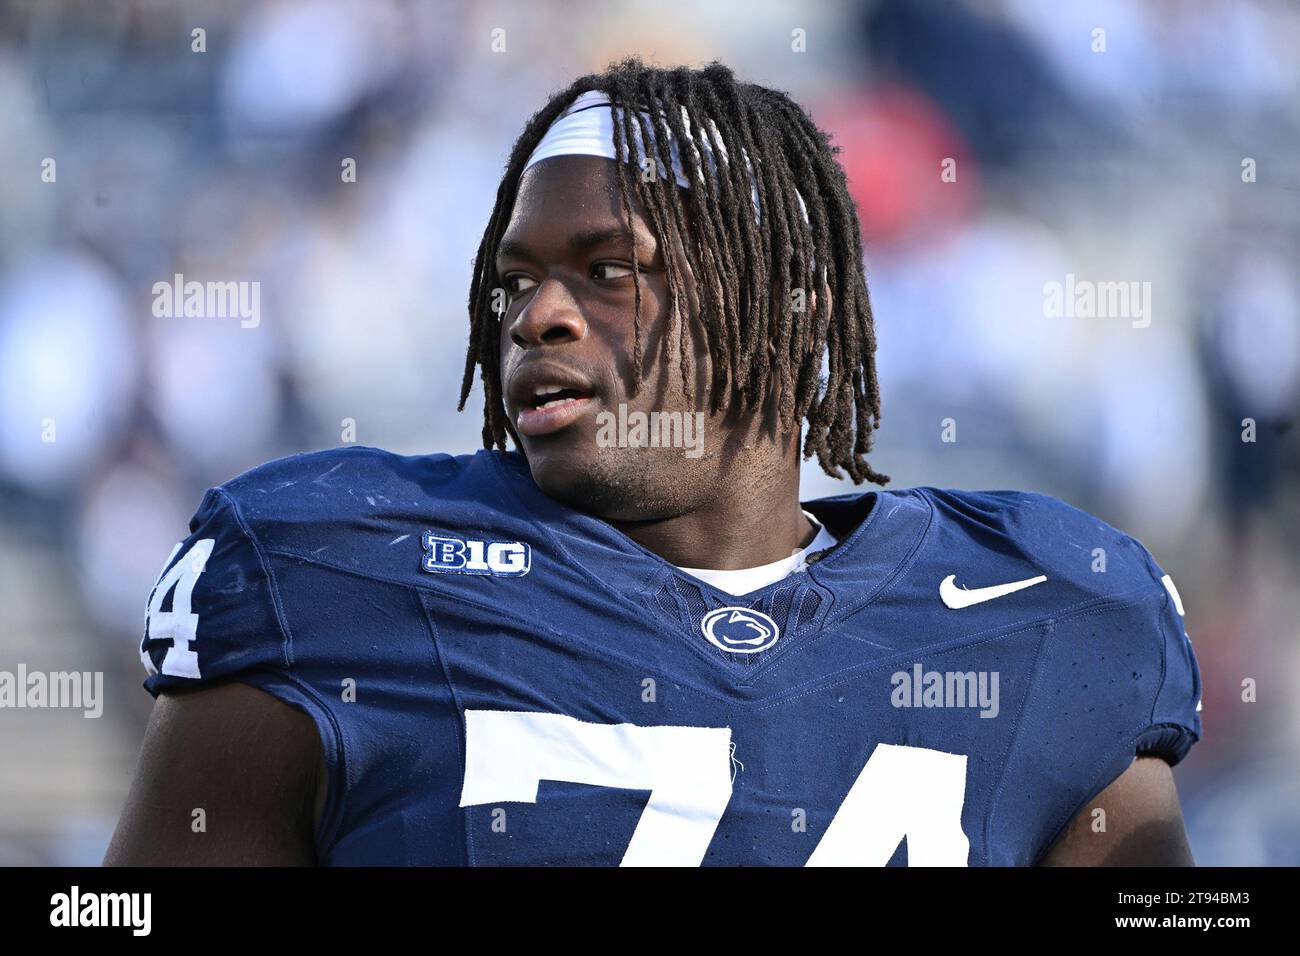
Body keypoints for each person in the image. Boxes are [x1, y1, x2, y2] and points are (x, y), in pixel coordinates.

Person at [106, 59, 1200, 866]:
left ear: (785, 311)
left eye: (606, 270)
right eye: (514, 279)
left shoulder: (1054, 609)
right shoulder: (331, 572)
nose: (538, 316)